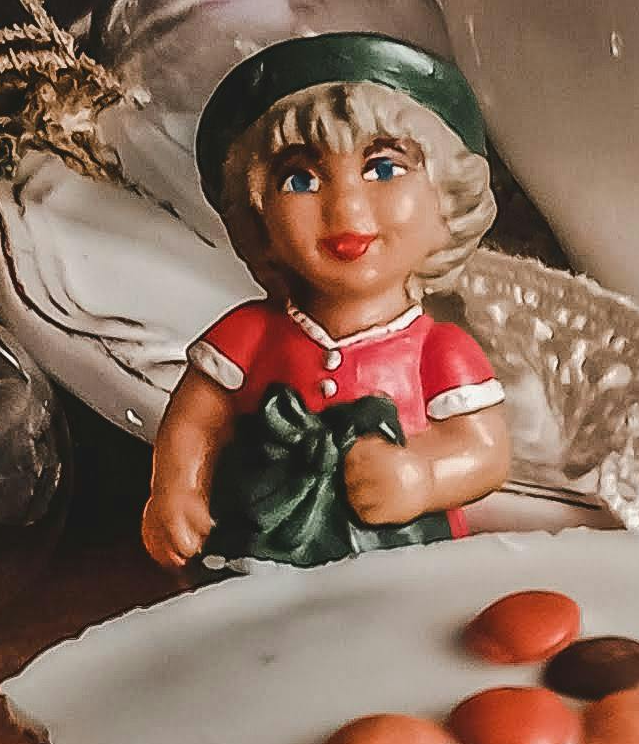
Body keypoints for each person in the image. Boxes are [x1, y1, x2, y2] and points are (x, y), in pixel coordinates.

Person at [140, 31, 514, 570]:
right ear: (257, 214)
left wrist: (423, 476)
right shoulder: (252, 334)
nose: (346, 209)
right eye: (301, 178)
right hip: (255, 556)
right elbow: (197, 421)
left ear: (448, 202)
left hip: (404, 567)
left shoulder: (439, 351)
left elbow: (485, 452)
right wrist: (176, 488)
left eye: (384, 169)